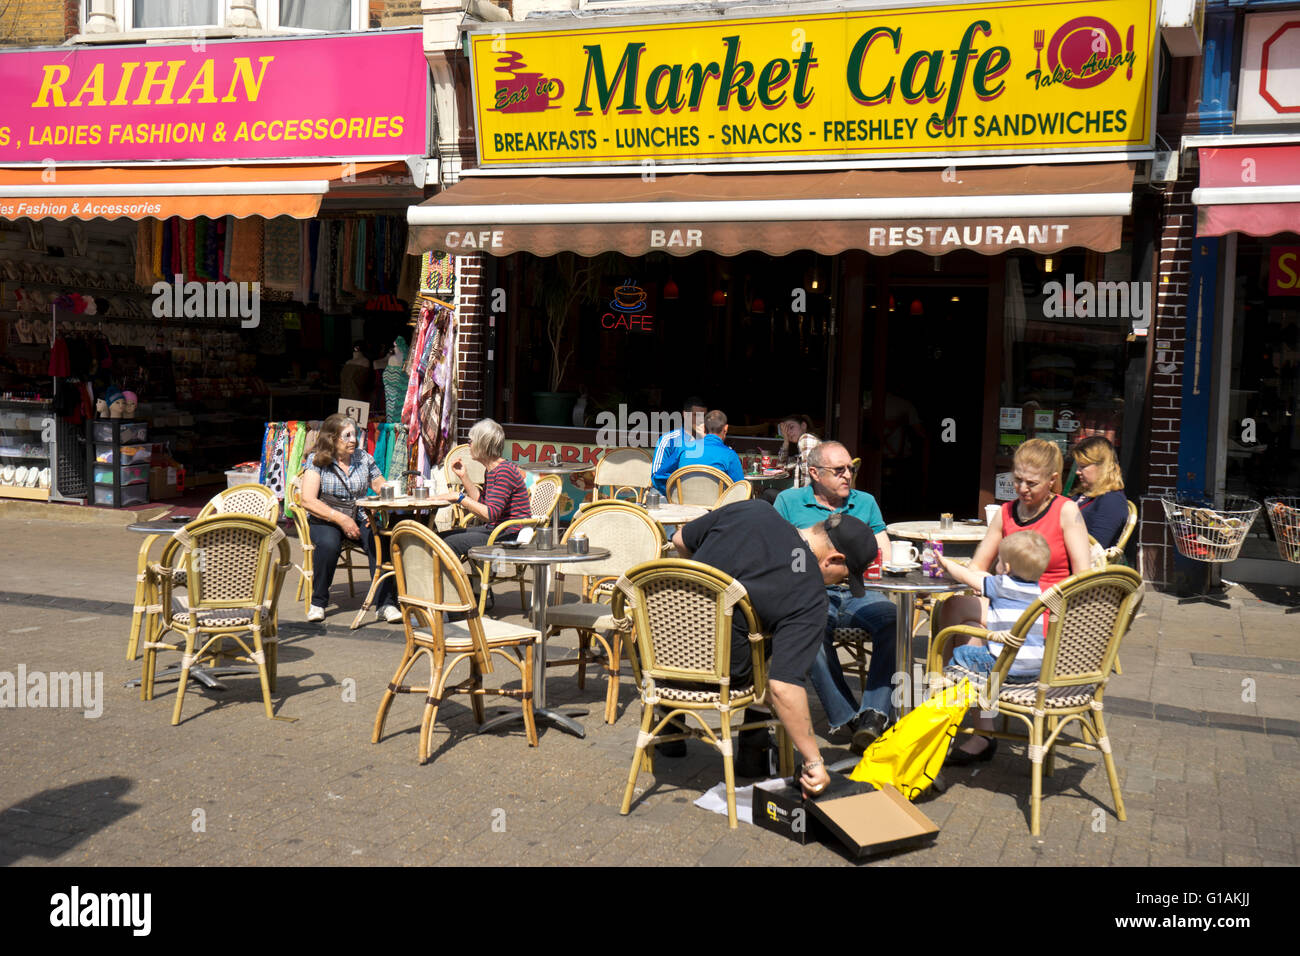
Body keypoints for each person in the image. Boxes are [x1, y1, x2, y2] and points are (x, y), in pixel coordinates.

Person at [670, 502, 878, 797]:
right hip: (720, 677)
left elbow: (680, 539)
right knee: (776, 650)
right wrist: (814, 761)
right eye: (844, 577)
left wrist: (697, 592)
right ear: (833, 559)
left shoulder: (752, 510)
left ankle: (669, 727)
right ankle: (754, 745)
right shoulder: (809, 595)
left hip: (655, 661)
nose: (839, 584)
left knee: (754, 631)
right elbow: (783, 686)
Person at [933, 438, 1093, 759]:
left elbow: (1084, 577)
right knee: (952, 609)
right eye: (1017, 479)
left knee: (967, 633)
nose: (1021, 488)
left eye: (1031, 483)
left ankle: (964, 715)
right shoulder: (1005, 512)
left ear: (1052, 480)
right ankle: (967, 712)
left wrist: (1047, 601)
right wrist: (960, 573)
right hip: (1007, 605)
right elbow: (979, 565)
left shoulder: (1066, 510)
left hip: (1047, 610)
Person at [773, 441, 896, 753]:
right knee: (805, 631)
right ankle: (848, 719)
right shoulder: (789, 501)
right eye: (838, 470)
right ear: (814, 473)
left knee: (896, 621)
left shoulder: (864, 502)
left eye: (850, 469)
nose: (847, 475)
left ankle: (874, 714)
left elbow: (885, 551)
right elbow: (777, 553)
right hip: (812, 594)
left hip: (859, 591)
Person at [933, 531, 1051, 764]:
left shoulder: (1001, 585)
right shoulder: (1037, 591)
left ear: (1005, 567)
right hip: (1034, 670)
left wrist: (946, 562)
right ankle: (978, 727)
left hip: (1003, 668)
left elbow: (966, 577)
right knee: (971, 628)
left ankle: (944, 687)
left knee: (961, 654)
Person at [298, 413, 399, 623]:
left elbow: (379, 484)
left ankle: (386, 603)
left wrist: (390, 491)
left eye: (355, 435)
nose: (353, 440)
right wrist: (340, 519)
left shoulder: (363, 458)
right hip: (325, 516)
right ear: (332, 438)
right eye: (347, 435)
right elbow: (307, 500)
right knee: (328, 544)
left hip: (360, 514)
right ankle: (318, 601)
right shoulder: (317, 460)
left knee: (380, 540)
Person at [433, 418, 531, 560]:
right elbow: (483, 504)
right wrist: (464, 477)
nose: (468, 445)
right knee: (438, 538)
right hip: (497, 530)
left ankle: (453, 582)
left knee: (447, 543)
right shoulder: (492, 470)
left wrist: (459, 498)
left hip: (510, 536)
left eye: (471, 441)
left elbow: (490, 514)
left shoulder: (504, 472)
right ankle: (458, 582)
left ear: (482, 444)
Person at [1070, 435, 1129, 549]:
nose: (1077, 472)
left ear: (1102, 466)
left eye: (1083, 466)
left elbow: (1096, 547)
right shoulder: (1084, 495)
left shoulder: (1112, 500)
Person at [669, 409, 745, 485]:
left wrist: (674, 493)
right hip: (718, 497)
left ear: (704, 428)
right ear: (726, 429)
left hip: (684, 497)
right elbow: (740, 487)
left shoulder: (683, 448)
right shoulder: (730, 455)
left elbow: (659, 476)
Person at [650, 396, 707, 493]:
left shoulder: (711, 443)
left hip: (705, 497)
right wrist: (679, 493)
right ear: (685, 414)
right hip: (672, 496)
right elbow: (656, 476)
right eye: (696, 415)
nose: (700, 420)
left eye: (704, 416)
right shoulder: (668, 440)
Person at [778, 413, 820, 488]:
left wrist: (802, 496)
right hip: (807, 491)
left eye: (791, 427)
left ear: (803, 426)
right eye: (785, 430)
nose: (788, 432)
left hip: (810, 493)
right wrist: (786, 441)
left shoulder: (806, 438)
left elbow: (807, 473)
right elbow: (781, 466)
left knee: (767, 493)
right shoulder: (800, 445)